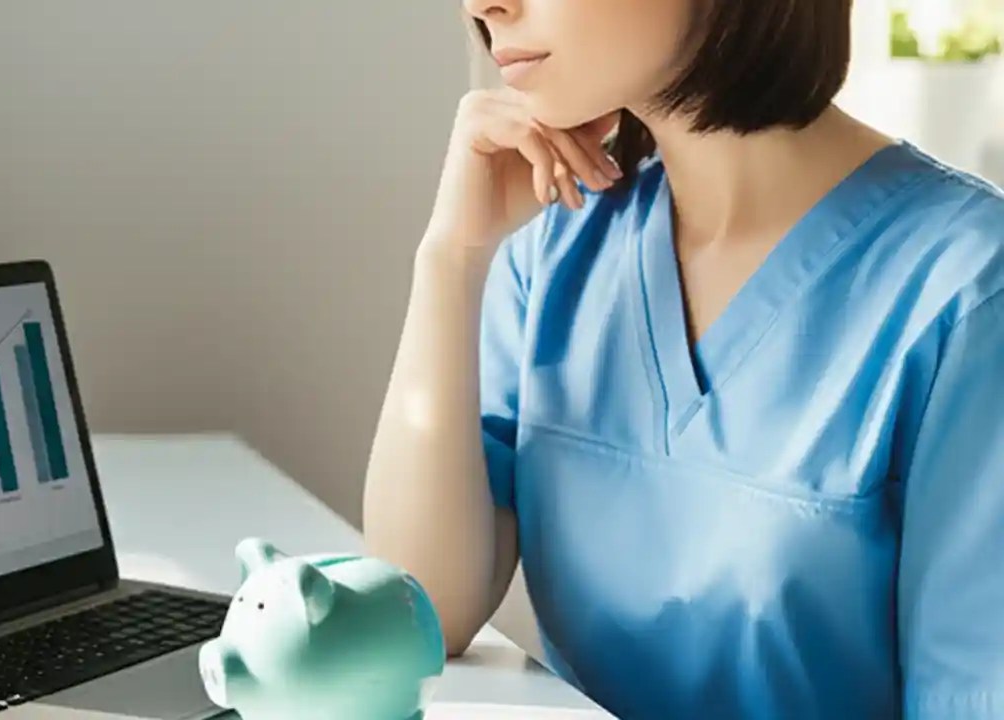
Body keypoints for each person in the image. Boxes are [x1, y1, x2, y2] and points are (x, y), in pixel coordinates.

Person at [361, 1, 1004, 718]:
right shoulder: (558, 245)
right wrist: (451, 260)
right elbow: (415, 616)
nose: (483, 4)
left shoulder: (968, 289)